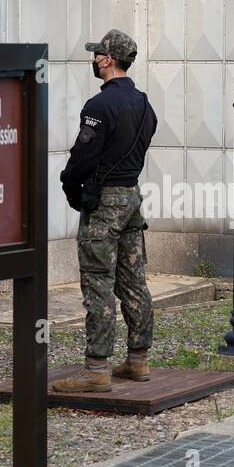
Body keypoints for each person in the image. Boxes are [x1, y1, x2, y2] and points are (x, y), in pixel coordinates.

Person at [56, 29, 158, 394]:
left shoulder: (98, 106)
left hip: (104, 205)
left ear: (107, 60)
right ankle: (138, 360)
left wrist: (70, 185)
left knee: (99, 282)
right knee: (134, 281)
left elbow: (83, 157)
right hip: (132, 199)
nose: (95, 59)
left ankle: (97, 369)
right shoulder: (145, 104)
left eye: (98, 54)